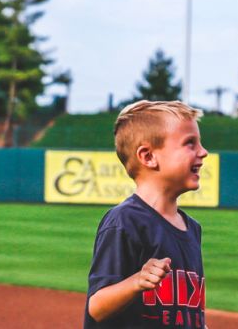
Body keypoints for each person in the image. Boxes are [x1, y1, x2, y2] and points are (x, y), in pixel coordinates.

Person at [85, 101, 209, 328]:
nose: (203, 152)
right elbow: (96, 306)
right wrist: (137, 281)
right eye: (190, 143)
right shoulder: (125, 221)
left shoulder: (192, 229)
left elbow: (190, 315)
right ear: (148, 156)